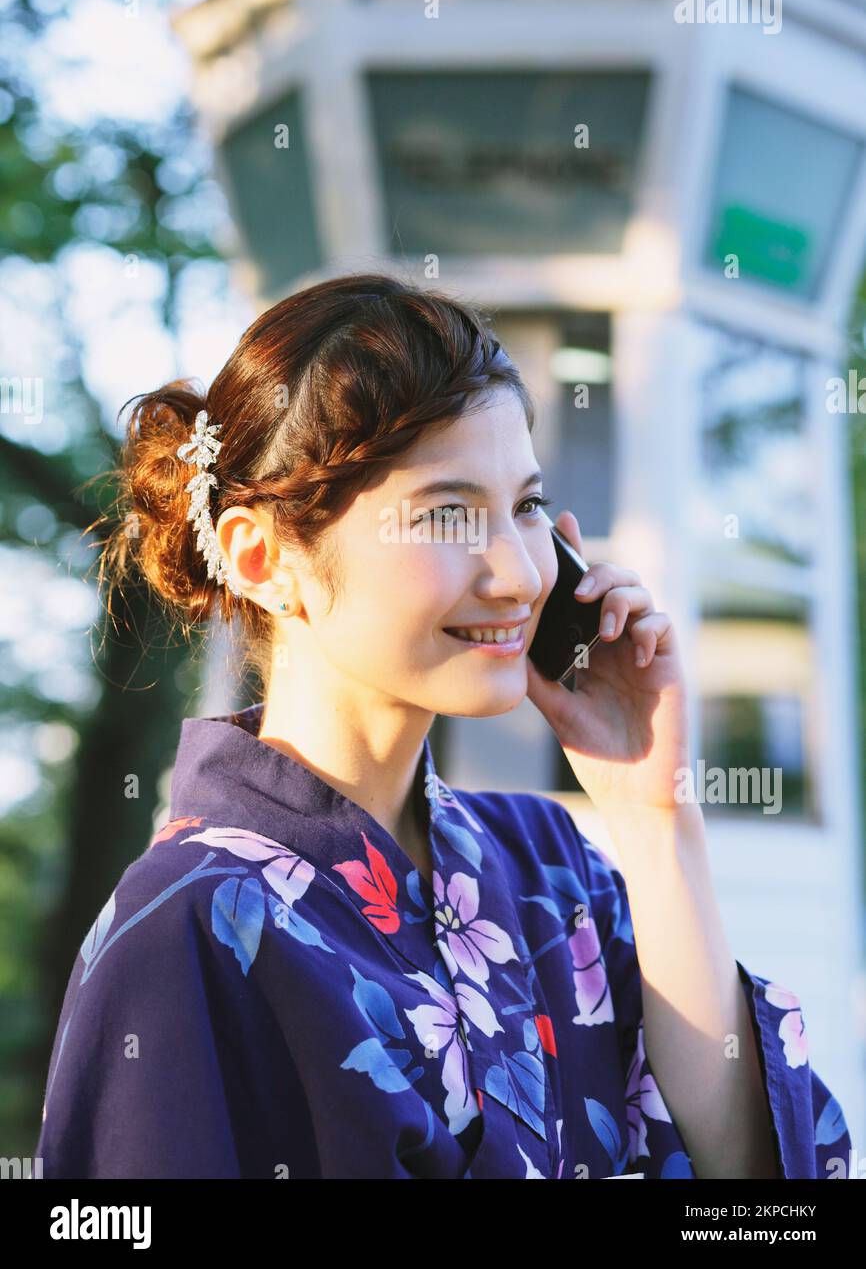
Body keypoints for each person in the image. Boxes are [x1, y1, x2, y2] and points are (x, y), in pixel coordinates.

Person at [35, 274, 852, 1179]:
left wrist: (655, 819)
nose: (518, 572)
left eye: (528, 507)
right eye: (449, 514)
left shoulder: (551, 867)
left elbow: (759, 1199)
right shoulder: (185, 926)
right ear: (263, 558)